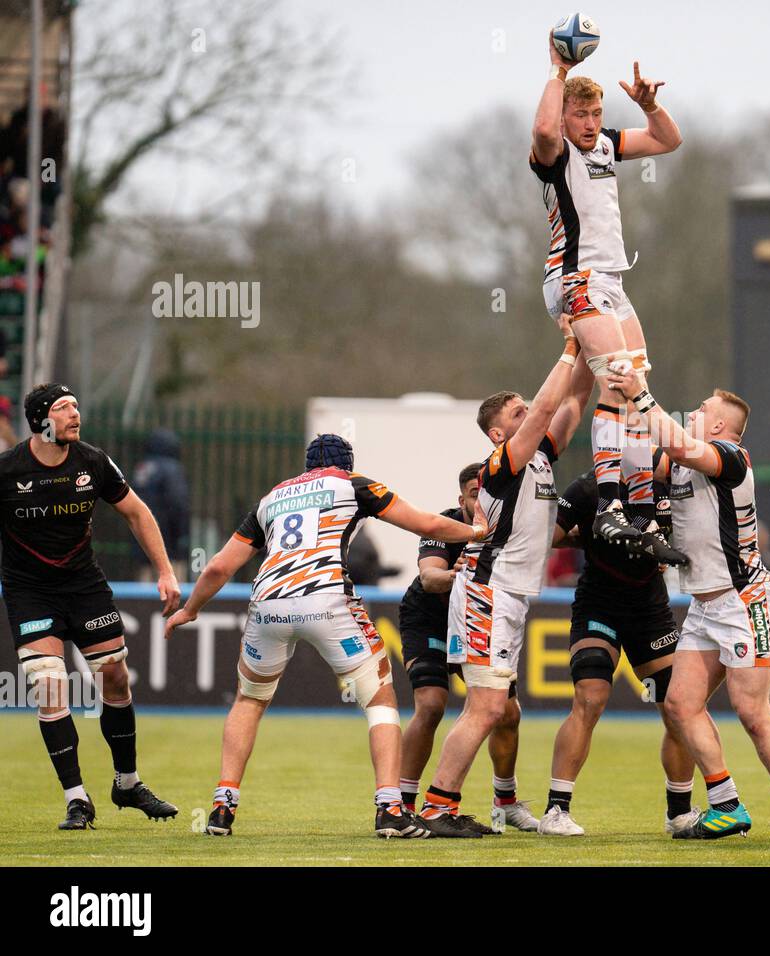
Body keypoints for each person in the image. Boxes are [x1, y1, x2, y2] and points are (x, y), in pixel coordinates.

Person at [164, 434, 486, 839]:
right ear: (346, 464)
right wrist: (475, 533)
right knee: (379, 699)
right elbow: (426, 523)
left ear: (305, 465)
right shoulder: (353, 484)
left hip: (267, 604)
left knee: (249, 700)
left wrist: (190, 609)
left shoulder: (271, 499)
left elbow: (216, 567)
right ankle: (390, 809)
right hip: (327, 600)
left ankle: (222, 806)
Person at [607, 367, 770, 842]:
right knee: (680, 705)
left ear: (720, 427)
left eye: (703, 410)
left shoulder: (730, 456)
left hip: (745, 601)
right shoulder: (679, 459)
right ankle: (727, 805)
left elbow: (678, 444)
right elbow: (637, 462)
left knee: (751, 711)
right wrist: (613, 396)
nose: (695, 412)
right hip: (704, 606)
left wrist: (640, 394)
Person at [419, 321, 594, 838]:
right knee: (487, 706)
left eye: (525, 410)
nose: (530, 415)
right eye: (516, 415)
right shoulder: (503, 464)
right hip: (487, 595)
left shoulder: (538, 456)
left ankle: (489, 802)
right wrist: (567, 348)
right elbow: (545, 409)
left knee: (499, 709)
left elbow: (575, 400)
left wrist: (591, 343)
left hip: (509, 598)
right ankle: (436, 807)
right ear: (498, 434)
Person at [2, 384, 180, 830]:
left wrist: (165, 571)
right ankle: (77, 799)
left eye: (77, 406)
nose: (75, 414)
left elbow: (137, 513)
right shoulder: (7, 470)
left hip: (84, 587)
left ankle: (127, 783)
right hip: (30, 591)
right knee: (49, 684)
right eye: (63, 408)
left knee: (115, 677)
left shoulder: (93, 461)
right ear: (41, 420)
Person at [530, 28, 682, 549]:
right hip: (575, 278)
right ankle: (609, 505)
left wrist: (650, 106)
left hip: (611, 281)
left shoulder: (606, 145)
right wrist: (558, 69)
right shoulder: (554, 154)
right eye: (582, 116)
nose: (591, 125)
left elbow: (667, 140)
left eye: (596, 115)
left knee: (635, 385)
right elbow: (545, 127)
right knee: (617, 381)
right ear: (567, 117)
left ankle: (642, 509)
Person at [538, 449, 701, 837]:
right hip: (599, 604)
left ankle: (678, 814)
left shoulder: (670, 490)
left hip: (651, 611)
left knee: (678, 709)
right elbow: (549, 537)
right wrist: (590, 537)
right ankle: (555, 811)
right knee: (590, 698)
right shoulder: (585, 489)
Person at [397, 462, 538, 833]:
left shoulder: (504, 529)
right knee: (431, 705)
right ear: (462, 500)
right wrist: (455, 574)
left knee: (507, 714)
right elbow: (429, 579)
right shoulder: (445, 526)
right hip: (430, 619)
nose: (481, 502)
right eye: (474, 495)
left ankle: (505, 802)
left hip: (478, 620)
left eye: (486, 494)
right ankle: (402, 804)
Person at [131, 428, 189, 583]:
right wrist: (181, 533)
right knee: (172, 582)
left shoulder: (142, 468)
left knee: (145, 583)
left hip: (142, 535)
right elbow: (177, 502)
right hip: (168, 539)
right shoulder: (171, 468)